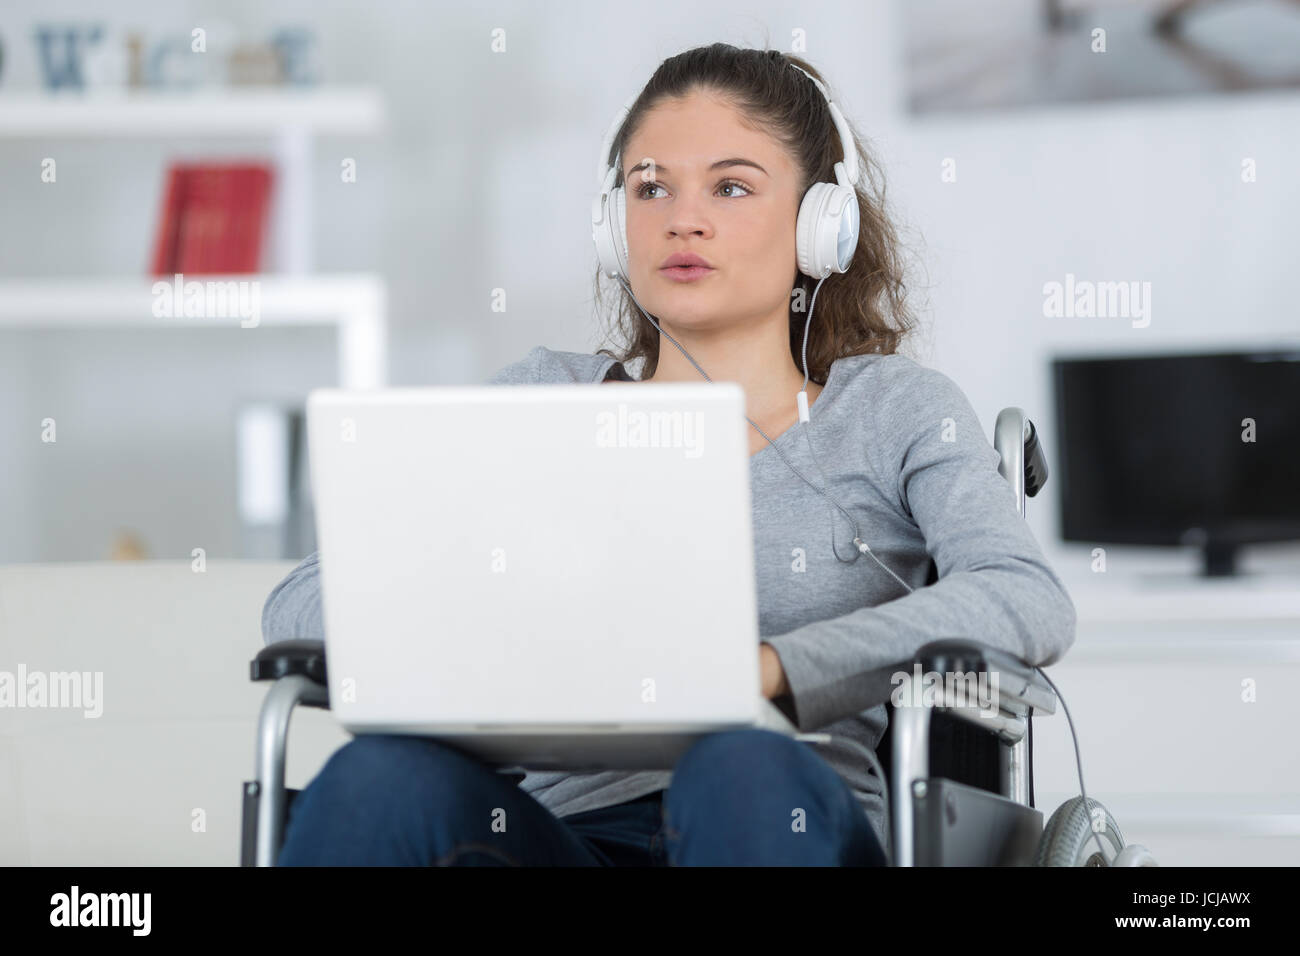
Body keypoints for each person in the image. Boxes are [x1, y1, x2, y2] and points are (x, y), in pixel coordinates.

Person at [264, 43, 1077, 866]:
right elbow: (302, 601)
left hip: (776, 815)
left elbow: (1023, 596)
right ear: (616, 228)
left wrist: (765, 670)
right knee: (376, 778)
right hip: (560, 838)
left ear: (820, 226)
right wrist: (497, 625)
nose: (682, 219)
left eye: (730, 186)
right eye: (650, 188)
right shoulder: (540, 398)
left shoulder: (892, 409)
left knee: (735, 762)